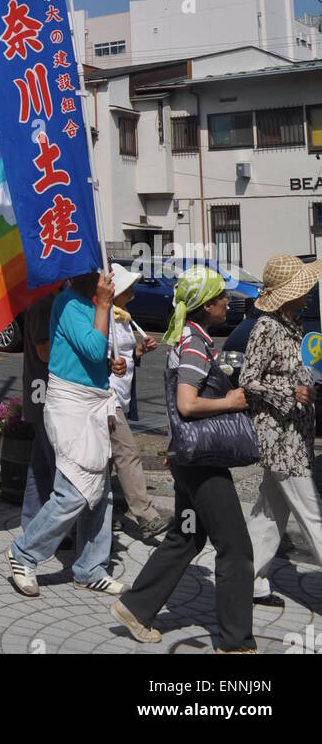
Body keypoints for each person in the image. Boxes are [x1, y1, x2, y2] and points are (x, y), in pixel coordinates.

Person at [111, 267, 256, 653]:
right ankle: (236, 642)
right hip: (203, 462)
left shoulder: (191, 338)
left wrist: (174, 451)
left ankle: (135, 607)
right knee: (236, 548)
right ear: (207, 305)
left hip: (189, 457)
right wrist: (231, 400)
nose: (228, 301)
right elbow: (186, 403)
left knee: (188, 534)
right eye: (222, 297)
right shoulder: (194, 344)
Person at [4, 268, 122, 598]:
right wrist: (103, 306)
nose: (107, 274)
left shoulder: (93, 304)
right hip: (71, 404)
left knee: (100, 490)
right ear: (82, 273)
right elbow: (93, 349)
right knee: (72, 491)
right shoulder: (70, 303)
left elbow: (96, 356)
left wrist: (116, 365)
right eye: (101, 269)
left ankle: (90, 567)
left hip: (93, 402)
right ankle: (23, 553)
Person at [240, 254, 322, 605]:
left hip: (296, 434)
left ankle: (250, 579)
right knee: (312, 513)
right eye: (303, 288)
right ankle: (248, 579)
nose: (308, 293)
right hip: (279, 437)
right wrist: (291, 392)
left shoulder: (294, 324)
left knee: (272, 510)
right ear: (289, 294)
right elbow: (247, 380)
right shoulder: (267, 327)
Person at [108, 264, 169, 541]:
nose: (134, 289)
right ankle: (146, 516)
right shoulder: (106, 318)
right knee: (128, 452)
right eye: (129, 286)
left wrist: (139, 351)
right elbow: (100, 354)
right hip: (107, 398)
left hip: (119, 395)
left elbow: (125, 356)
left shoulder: (123, 318)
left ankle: (105, 517)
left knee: (105, 461)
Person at [21, 286, 60, 525]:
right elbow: (44, 352)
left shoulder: (49, 300)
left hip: (42, 392)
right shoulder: (44, 302)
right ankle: (60, 528)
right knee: (57, 464)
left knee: (40, 466)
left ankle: (32, 519)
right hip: (44, 394)